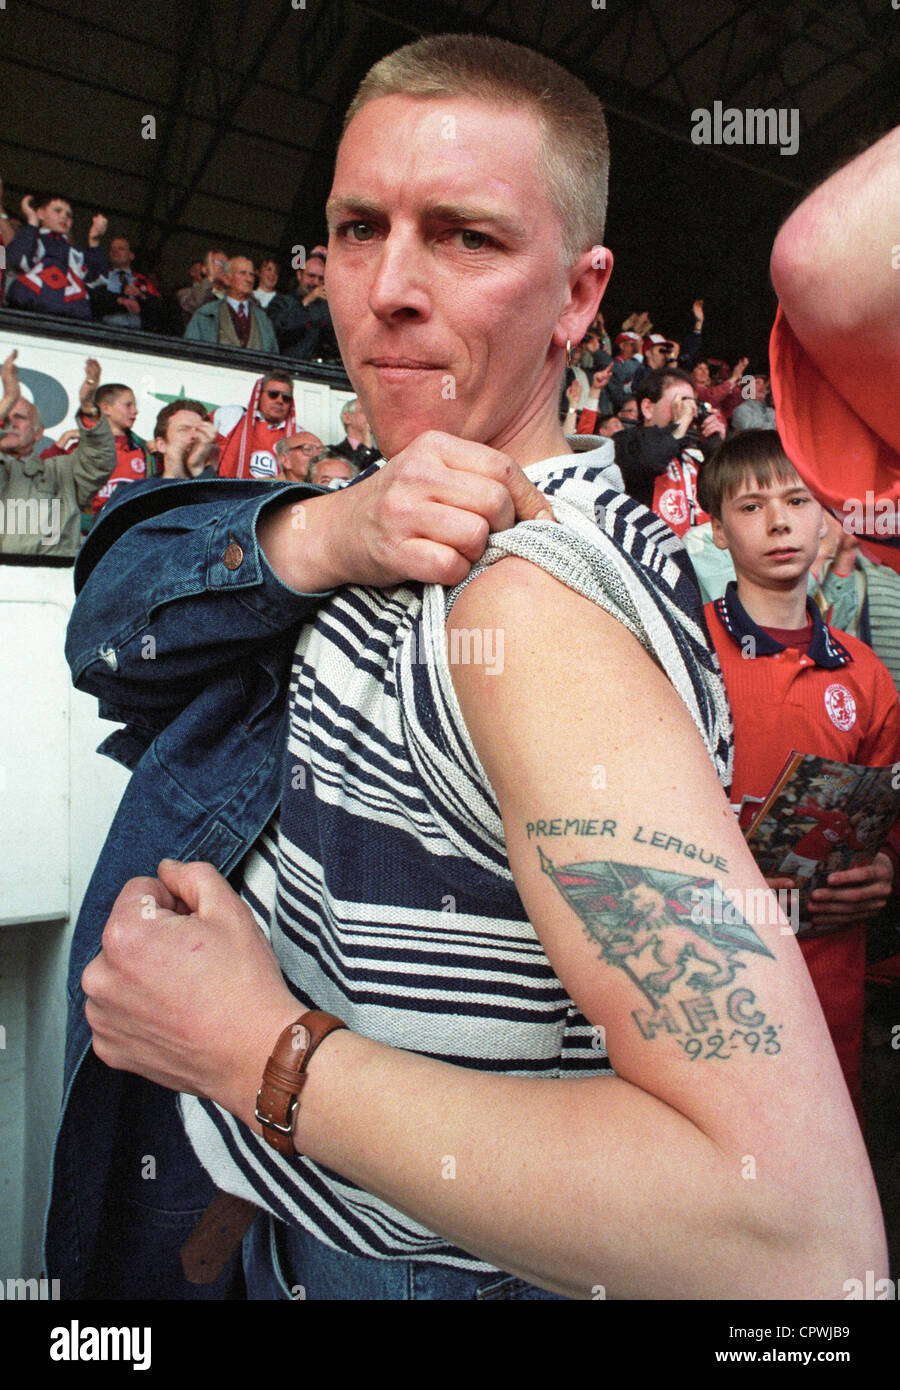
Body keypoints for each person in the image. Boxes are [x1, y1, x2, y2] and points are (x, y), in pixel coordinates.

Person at [47, 33, 885, 1302]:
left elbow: (798, 1247)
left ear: (582, 297)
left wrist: (259, 1050)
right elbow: (108, 622)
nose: (385, 286)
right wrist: (327, 529)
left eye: (465, 238)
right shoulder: (393, 535)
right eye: (355, 226)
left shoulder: (525, 609)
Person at [698, 430, 900, 1115]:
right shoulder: (678, 652)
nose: (780, 521)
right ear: (717, 529)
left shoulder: (867, 676)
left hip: (830, 987)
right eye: (750, 506)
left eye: (797, 500)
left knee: (825, 1168)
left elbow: (889, 812)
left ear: (826, 517)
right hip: (705, 973)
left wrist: (886, 872)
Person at [0, 350, 116, 555]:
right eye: (5, 415)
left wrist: (89, 406)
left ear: (39, 432)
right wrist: (9, 397)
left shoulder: (62, 471)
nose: (10, 422)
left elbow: (100, 459)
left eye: (20, 417)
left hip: (51, 580)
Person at [4, 194, 107, 321]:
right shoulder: (32, 240)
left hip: (70, 319)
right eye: (57, 211)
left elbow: (98, 280)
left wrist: (94, 241)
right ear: (40, 213)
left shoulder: (75, 253)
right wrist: (32, 222)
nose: (64, 216)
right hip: (28, 314)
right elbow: (19, 261)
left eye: (69, 215)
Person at [214, 372, 297, 479]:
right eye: (273, 394)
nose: (279, 400)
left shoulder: (298, 436)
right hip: (228, 491)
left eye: (286, 397)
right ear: (259, 395)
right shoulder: (231, 416)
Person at [185, 257, 279, 352]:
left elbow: (273, 356)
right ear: (227, 279)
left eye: (251, 275)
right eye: (242, 273)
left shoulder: (263, 319)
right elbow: (190, 353)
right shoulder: (205, 314)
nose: (249, 279)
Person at [90, 383, 154, 516]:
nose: (135, 411)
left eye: (135, 406)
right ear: (106, 408)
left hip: (130, 529)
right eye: (128, 405)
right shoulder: (83, 447)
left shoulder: (146, 451)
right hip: (89, 531)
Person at [329, 396, 380, 471]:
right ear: (347, 418)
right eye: (363, 411)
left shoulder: (381, 456)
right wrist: (365, 447)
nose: (371, 416)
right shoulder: (332, 452)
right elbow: (350, 476)